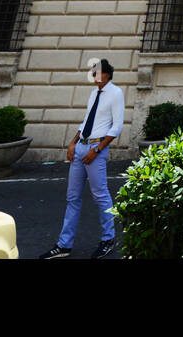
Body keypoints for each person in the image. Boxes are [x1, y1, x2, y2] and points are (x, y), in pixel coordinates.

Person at [39, 59, 125, 259]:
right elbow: (87, 120)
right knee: (72, 197)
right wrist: (72, 143)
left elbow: (117, 127)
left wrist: (97, 149)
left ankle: (108, 239)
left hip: (96, 148)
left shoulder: (116, 93)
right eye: (93, 73)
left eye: (98, 73)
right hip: (80, 147)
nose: (95, 77)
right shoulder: (94, 94)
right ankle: (64, 245)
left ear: (107, 75)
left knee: (100, 195)